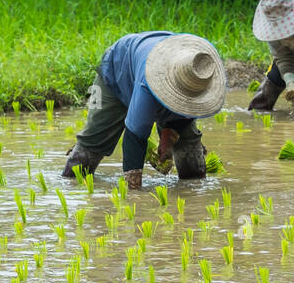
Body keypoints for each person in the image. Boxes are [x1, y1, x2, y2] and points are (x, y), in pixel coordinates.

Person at [62, 32, 226, 191]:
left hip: (165, 69)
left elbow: (187, 110)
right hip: (117, 73)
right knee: (91, 146)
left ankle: (193, 194)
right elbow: (134, 136)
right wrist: (134, 191)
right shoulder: (147, 86)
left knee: (190, 154)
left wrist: (169, 136)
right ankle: (69, 185)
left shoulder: (197, 71)